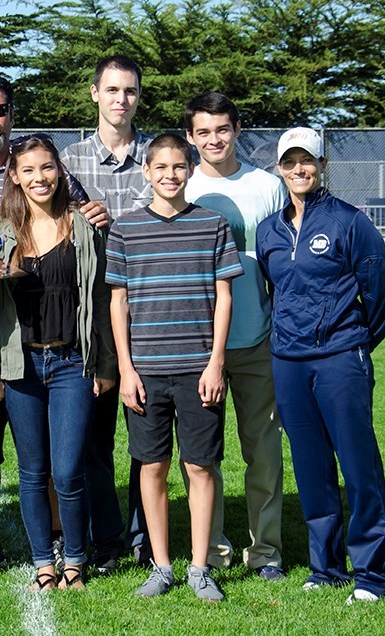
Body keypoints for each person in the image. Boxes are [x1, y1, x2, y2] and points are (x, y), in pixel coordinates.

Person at [0, 71, 108, 578]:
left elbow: (95, 275)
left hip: (67, 353)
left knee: (67, 463)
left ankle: (66, 546)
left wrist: (96, 215)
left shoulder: (66, 196)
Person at [256, 128, 385, 605]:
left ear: (321, 164)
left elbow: (378, 294)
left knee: (358, 466)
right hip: (288, 363)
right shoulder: (269, 229)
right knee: (312, 468)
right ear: (279, 167)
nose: (299, 170)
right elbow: (275, 293)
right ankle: (326, 567)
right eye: (290, 162)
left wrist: (351, 341)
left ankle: (372, 573)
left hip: (340, 359)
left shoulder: (351, 222)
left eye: (307, 161)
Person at [107, 133, 242, 602]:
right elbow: (118, 302)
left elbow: (225, 297)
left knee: (201, 466)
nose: (169, 175)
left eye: (178, 167)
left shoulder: (213, 225)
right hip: (145, 371)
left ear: (190, 170)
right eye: (160, 167)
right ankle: (162, 565)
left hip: (198, 369)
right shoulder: (125, 229)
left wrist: (216, 362)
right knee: (152, 466)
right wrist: (126, 368)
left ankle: (200, 567)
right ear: (146, 172)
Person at [0, 134, 116, 591]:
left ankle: (75, 559)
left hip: (72, 364)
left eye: (47, 168)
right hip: (21, 369)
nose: (39, 178)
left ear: (60, 171)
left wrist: (105, 363)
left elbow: (99, 298)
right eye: (29, 171)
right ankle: (43, 562)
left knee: (68, 470)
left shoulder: (83, 225)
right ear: (15, 178)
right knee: (33, 473)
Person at [183, 91, 286, 579]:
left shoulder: (267, 186)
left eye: (221, 129)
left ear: (238, 130)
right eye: (202, 131)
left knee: (262, 452)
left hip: (257, 339)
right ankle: (215, 549)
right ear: (190, 136)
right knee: (204, 457)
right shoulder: (179, 185)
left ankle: (266, 551)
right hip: (198, 347)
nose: (213, 140)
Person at [60, 54, 152, 571]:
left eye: (130, 91)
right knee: (93, 440)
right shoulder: (70, 160)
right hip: (91, 320)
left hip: (147, 314)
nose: (121, 100)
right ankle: (107, 539)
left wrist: (113, 222)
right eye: (112, 90)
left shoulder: (161, 156)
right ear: (94, 93)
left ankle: (144, 536)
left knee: (146, 436)